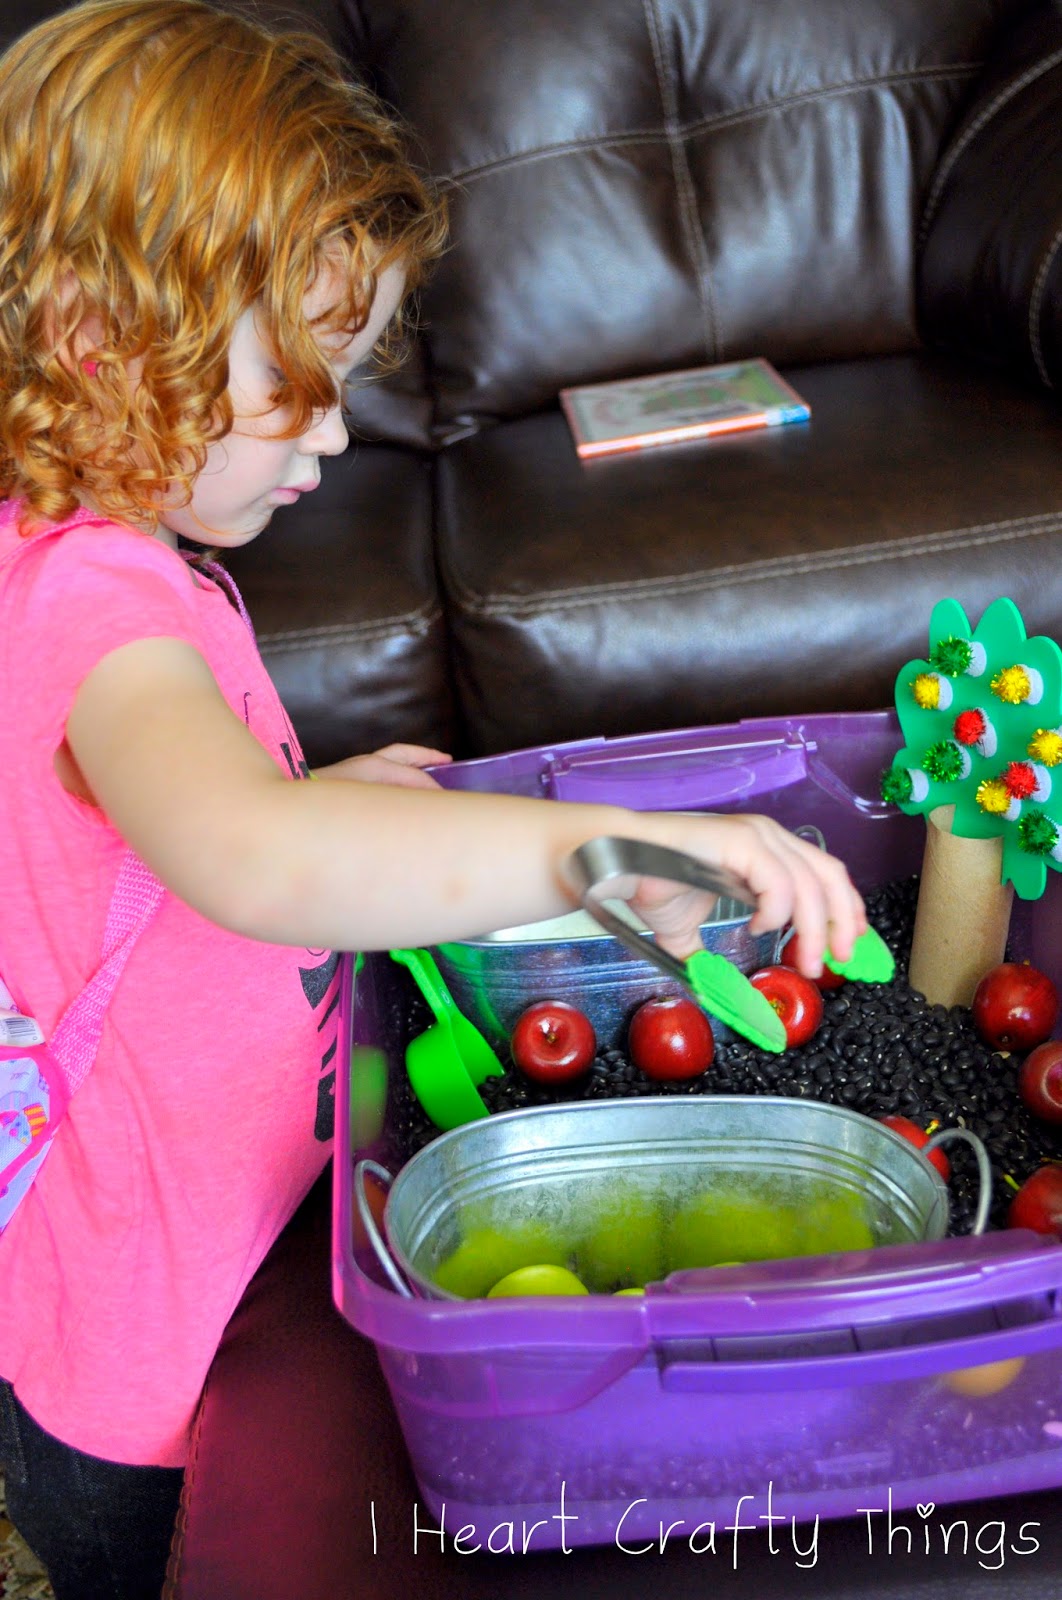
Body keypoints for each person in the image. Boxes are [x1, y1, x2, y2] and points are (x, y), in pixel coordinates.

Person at [0, 2, 867, 1595]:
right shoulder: (98, 608)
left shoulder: (82, 560)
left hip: (242, 1230)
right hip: (164, 1352)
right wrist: (606, 852)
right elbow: (253, 862)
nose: (333, 433)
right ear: (98, 345)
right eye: (300, 380)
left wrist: (311, 784)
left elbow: (141, 813)